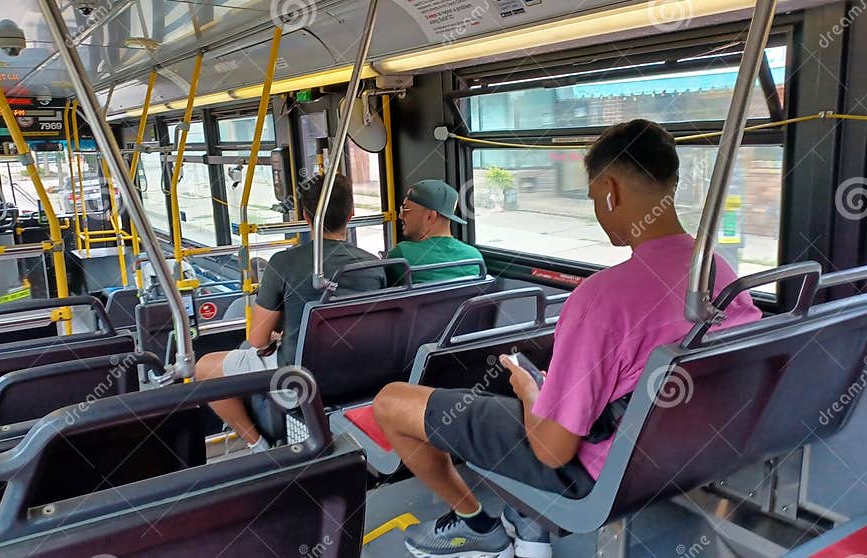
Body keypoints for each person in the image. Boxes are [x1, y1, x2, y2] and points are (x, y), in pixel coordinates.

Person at [372, 120, 763, 558]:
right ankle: (521, 516)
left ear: (611, 190)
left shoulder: (600, 299)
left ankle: (477, 525)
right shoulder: (720, 273)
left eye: (595, 198)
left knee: (391, 401)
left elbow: (552, 450)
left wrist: (527, 392)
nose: (598, 211)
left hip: (597, 473)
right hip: (691, 452)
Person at [194, 173, 387, 452]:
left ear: (306, 217)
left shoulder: (282, 263)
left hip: (300, 379)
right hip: (362, 372)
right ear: (352, 214)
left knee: (205, 368)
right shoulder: (373, 265)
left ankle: (259, 446)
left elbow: (258, 340)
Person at [385, 179, 484, 285]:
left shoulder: (402, 255)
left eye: (405, 209)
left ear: (430, 216)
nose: (400, 215)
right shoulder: (474, 256)